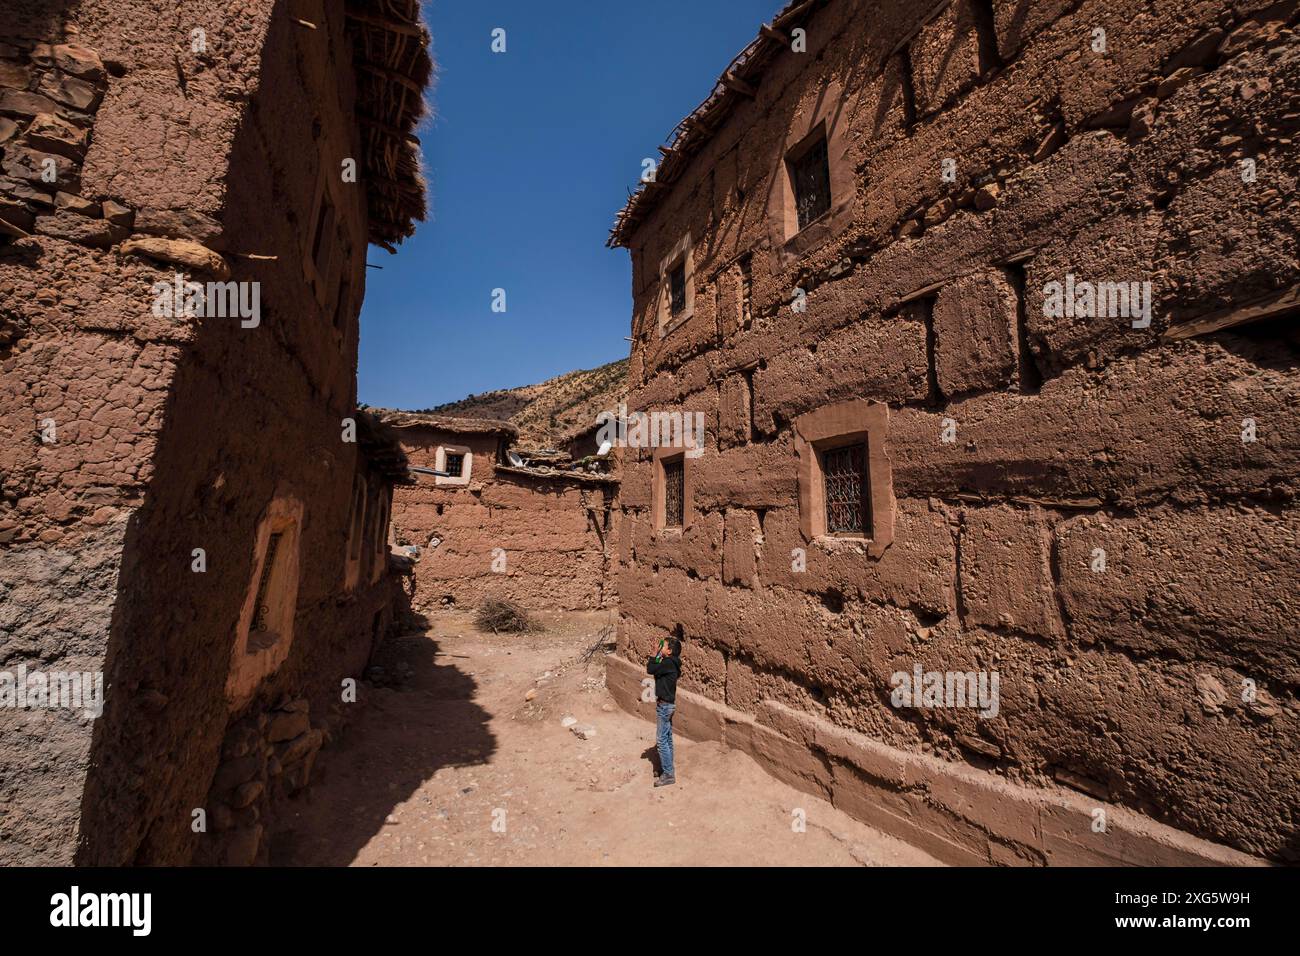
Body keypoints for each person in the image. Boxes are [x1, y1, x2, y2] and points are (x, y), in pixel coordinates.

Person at [646, 636, 682, 787]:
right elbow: (657, 671)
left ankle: (668, 774)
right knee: (667, 739)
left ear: (670, 650)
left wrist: (654, 654)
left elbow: (651, 669)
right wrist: (659, 655)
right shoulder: (671, 663)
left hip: (665, 707)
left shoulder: (668, 663)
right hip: (667, 705)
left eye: (664, 645)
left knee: (661, 741)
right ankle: (667, 768)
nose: (661, 646)